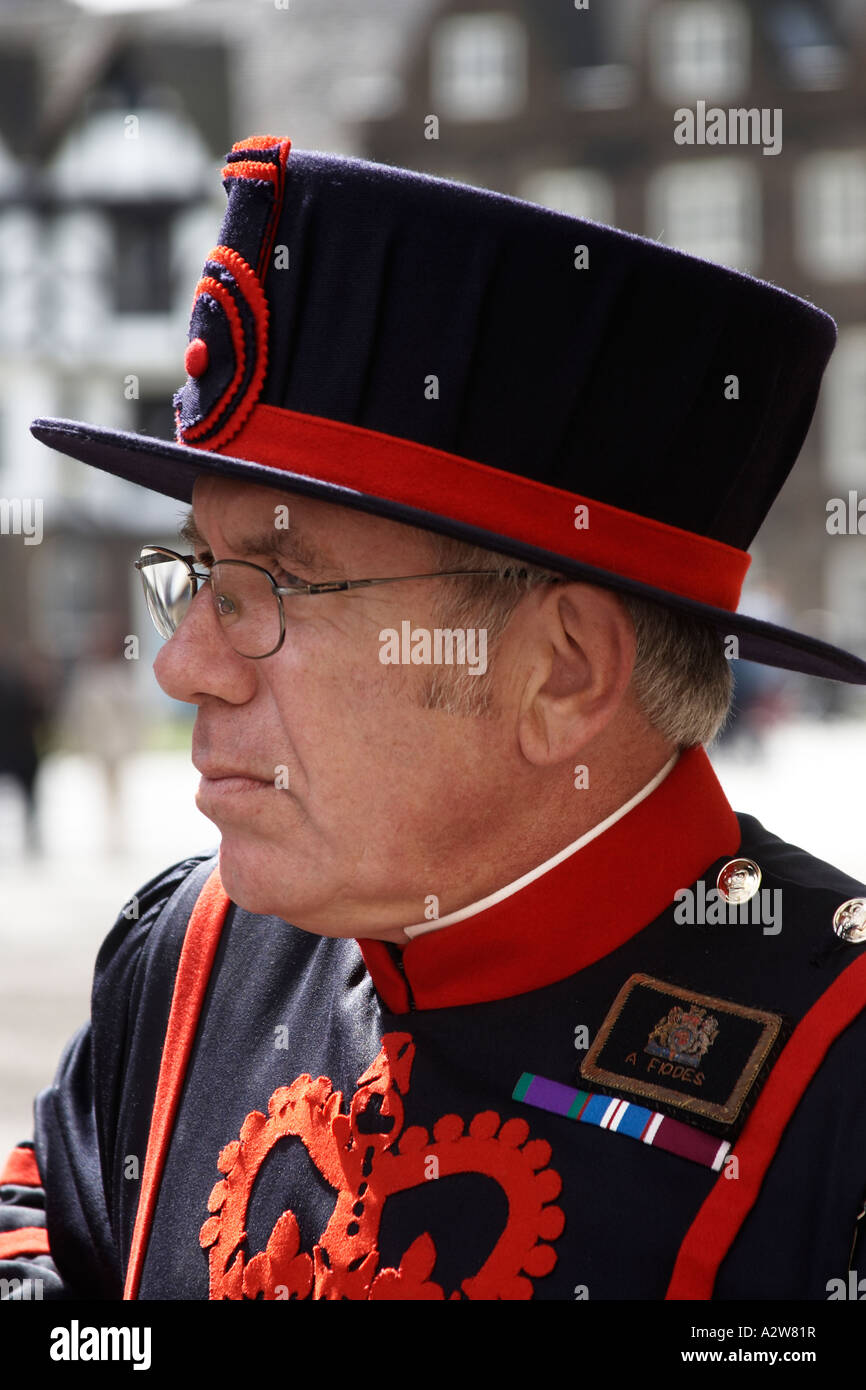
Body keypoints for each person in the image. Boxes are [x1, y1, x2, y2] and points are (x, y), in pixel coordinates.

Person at [2, 136, 865, 1302]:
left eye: (272, 583)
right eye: (195, 571)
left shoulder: (839, 1076)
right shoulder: (185, 960)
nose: (185, 664)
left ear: (561, 675)